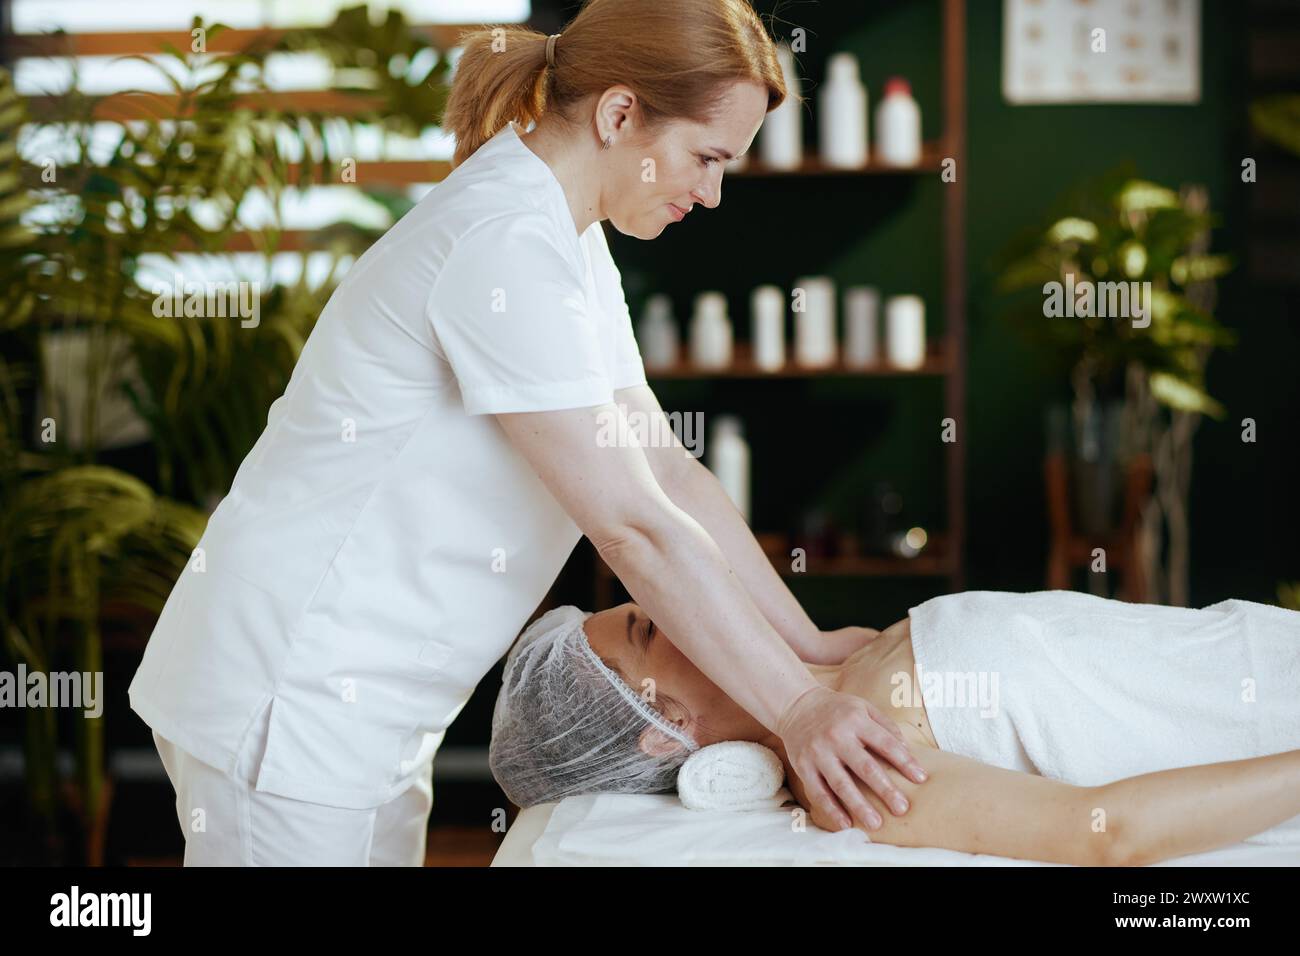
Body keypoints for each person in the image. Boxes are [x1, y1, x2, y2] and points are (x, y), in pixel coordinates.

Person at [128, 0, 923, 866]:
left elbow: (666, 472)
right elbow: (631, 527)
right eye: (706, 158)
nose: (711, 192)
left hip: (368, 706)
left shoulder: (567, 237)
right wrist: (798, 709)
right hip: (290, 694)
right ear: (621, 114)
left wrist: (801, 645)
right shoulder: (504, 238)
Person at [489, 591, 1300, 865]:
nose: (675, 602)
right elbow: (1107, 834)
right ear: (664, 728)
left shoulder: (845, 668)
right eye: (648, 629)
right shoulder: (853, 770)